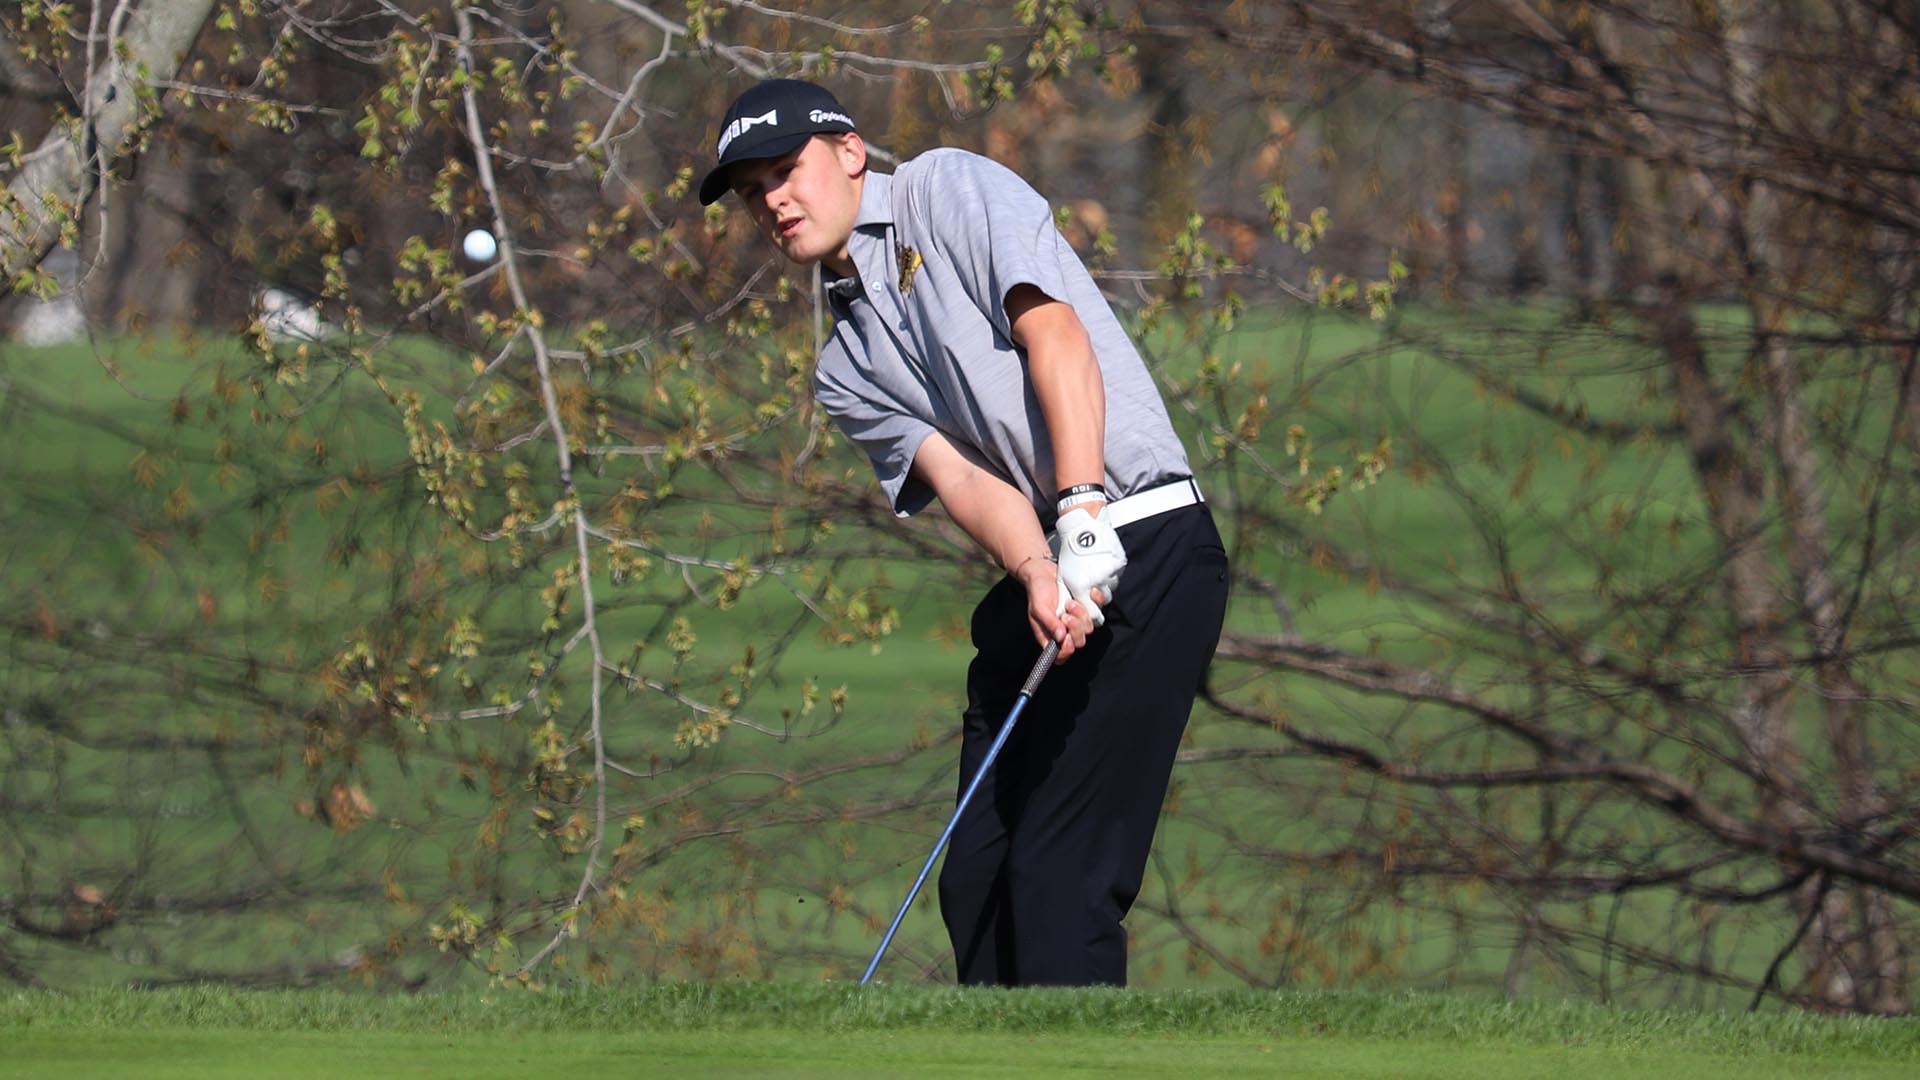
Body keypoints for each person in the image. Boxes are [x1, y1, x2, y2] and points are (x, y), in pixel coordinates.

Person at [699, 79, 1229, 987]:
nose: (773, 201)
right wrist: (1036, 569)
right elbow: (965, 481)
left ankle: (1079, 1053)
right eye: (754, 192)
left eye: (785, 170)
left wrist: (1082, 510)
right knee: (978, 880)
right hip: (1057, 571)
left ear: (850, 152)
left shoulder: (944, 189)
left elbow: (1056, 336)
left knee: (1060, 882)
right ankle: (991, 1047)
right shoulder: (844, 367)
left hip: (1147, 536)